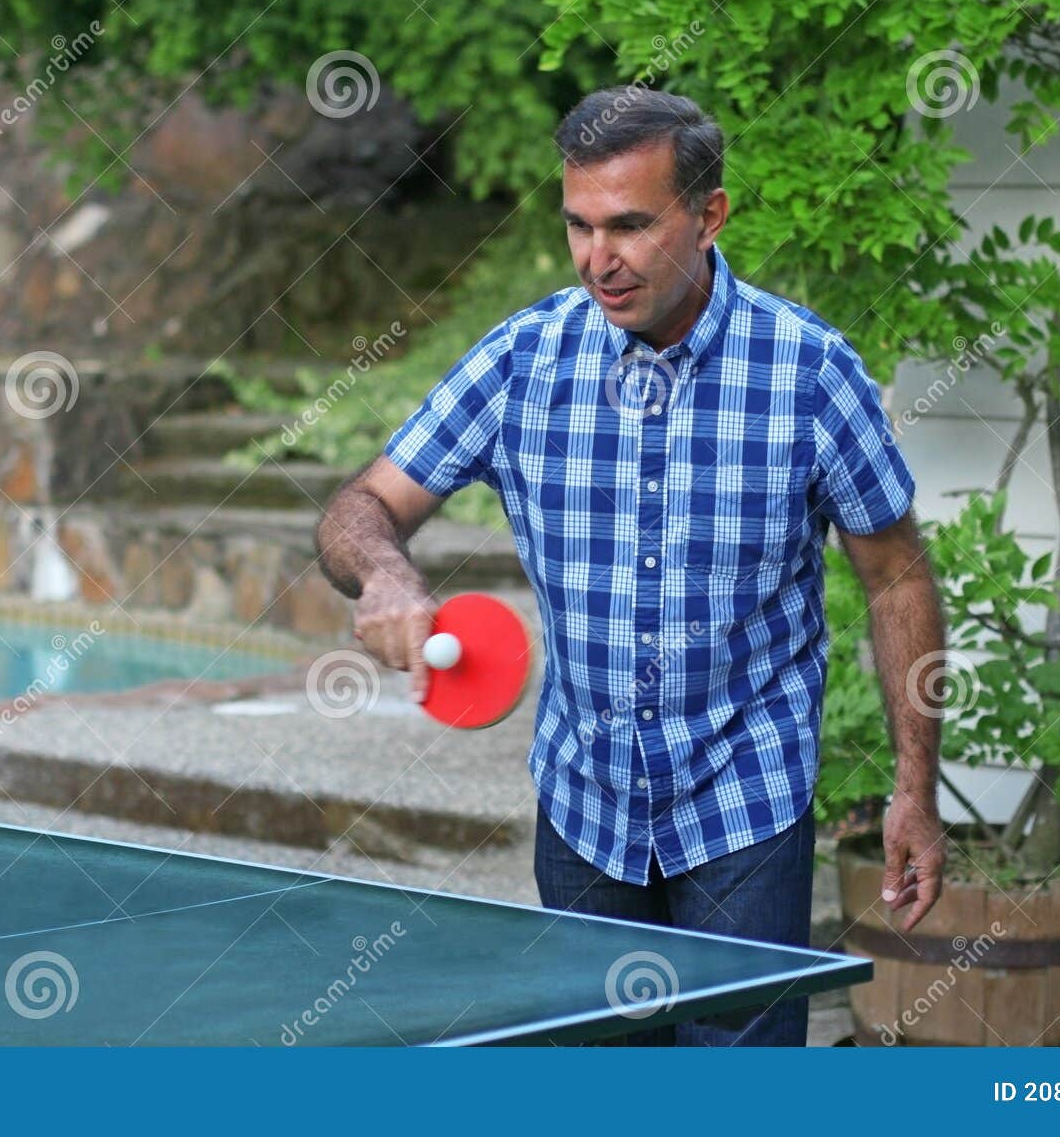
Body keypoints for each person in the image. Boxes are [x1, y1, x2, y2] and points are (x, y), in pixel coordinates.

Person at [315, 86, 948, 1046]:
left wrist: (914, 787)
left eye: (630, 225)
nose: (598, 260)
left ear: (709, 215)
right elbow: (358, 510)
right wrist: (386, 574)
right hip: (584, 811)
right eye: (578, 225)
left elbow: (897, 574)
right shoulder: (522, 361)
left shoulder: (808, 372)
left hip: (748, 808)